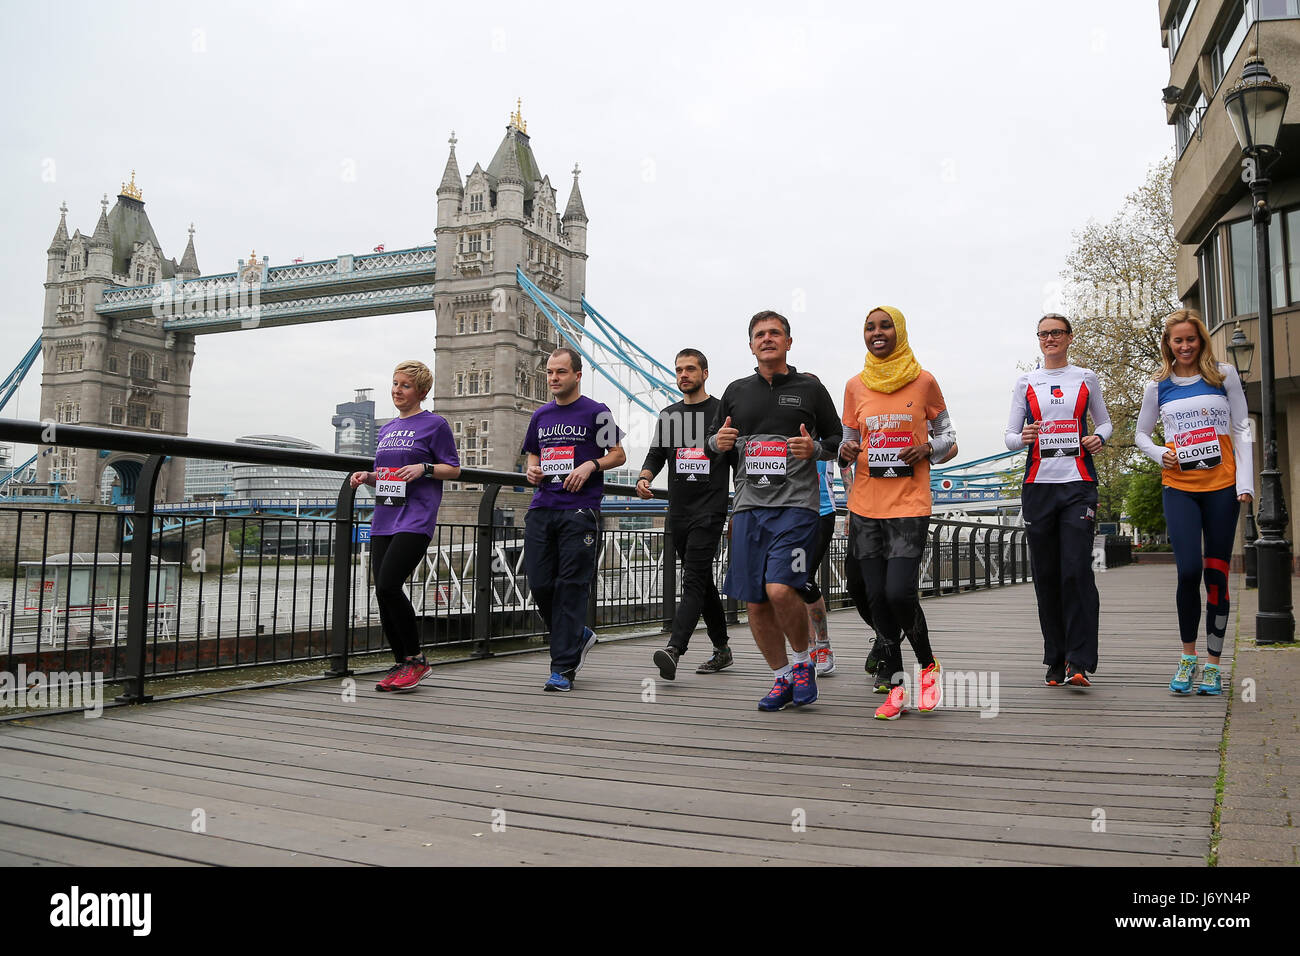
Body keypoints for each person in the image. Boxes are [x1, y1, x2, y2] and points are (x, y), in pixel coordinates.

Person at [708, 310, 842, 711]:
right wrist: (721, 441)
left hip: (797, 508)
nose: (767, 339)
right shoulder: (735, 390)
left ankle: (803, 663)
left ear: (788, 342)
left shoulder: (810, 390)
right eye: (760, 334)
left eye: (775, 333)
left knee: (781, 587)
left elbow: (838, 439)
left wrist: (815, 449)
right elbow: (713, 444)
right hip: (748, 509)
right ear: (751, 345)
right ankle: (781, 677)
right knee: (754, 601)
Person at [839, 306, 955, 720]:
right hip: (866, 505)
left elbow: (949, 439)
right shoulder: (855, 386)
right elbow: (847, 443)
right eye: (869, 327)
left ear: (899, 331)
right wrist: (844, 450)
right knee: (875, 598)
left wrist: (928, 449)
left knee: (898, 592)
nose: (877, 332)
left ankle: (927, 665)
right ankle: (895, 685)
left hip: (909, 502)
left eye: (885, 325)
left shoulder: (924, 381)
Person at [1135, 309, 1253, 696]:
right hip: (1179, 487)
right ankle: (1188, 658)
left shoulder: (1224, 375)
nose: (1185, 346)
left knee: (1216, 576)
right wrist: (1158, 453)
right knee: (1188, 571)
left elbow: (1240, 428)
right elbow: (1141, 435)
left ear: (1200, 339)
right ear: (1168, 345)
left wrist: (1245, 483)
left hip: (1222, 486)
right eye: (1177, 340)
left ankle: (1214, 666)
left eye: (1191, 339)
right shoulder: (1158, 386)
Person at [1004, 313, 1113, 688]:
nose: (1050, 338)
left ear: (1069, 338)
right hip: (1038, 486)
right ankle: (1056, 657)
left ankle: (1079, 661)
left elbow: (1104, 423)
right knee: (1047, 575)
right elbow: (1009, 436)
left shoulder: (1085, 378)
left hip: (1078, 484)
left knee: (1076, 571)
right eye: (1044, 334)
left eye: (1057, 333)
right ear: (1038, 340)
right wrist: (1025, 435)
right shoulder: (1026, 382)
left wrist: (1099, 437)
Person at [351, 360, 461, 693]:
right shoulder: (385, 429)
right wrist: (367, 477)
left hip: (416, 517)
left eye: (405, 385)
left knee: (387, 585)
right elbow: (387, 473)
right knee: (383, 592)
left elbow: (453, 469)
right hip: (385, 516)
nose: (397, 390)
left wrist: (424, 468)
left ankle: (417, 660)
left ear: (422, 392)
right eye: (395, 384)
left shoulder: (434, 425)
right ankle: (402, 662)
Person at [523, 347, 627, 692]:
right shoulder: (541, 415)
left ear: (577, 375)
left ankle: (562, 668)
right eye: (550, 373)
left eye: (561, 372)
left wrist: (590, 464)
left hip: (580, 510)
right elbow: (533, 454)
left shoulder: (596, 412)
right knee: (539, 583)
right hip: (542, 508)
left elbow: (618, 454)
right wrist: (531, 471)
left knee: (570, 587)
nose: (554, 378)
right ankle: (577, 635)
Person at [637, 348, 735, 679]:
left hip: (710, 508)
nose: (683, 375)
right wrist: (644, 476)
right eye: (678, 370)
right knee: (701, 579)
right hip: (678, 510)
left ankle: (674, 648)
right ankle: (722, 648)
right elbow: (655, 454)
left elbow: (739, 463)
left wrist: (740, 508)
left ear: (705, 373)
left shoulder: (723, 412)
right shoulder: (669, 415)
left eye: (690, 369)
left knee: (692, 578)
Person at [799, 459, 840, 675]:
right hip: (792, 513)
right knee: (796, 581)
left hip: (822, 512)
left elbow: (846, 465)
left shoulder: (828, 429)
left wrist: (852, 507)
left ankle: (823, 646)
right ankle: (809, 649)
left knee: (804, 578)